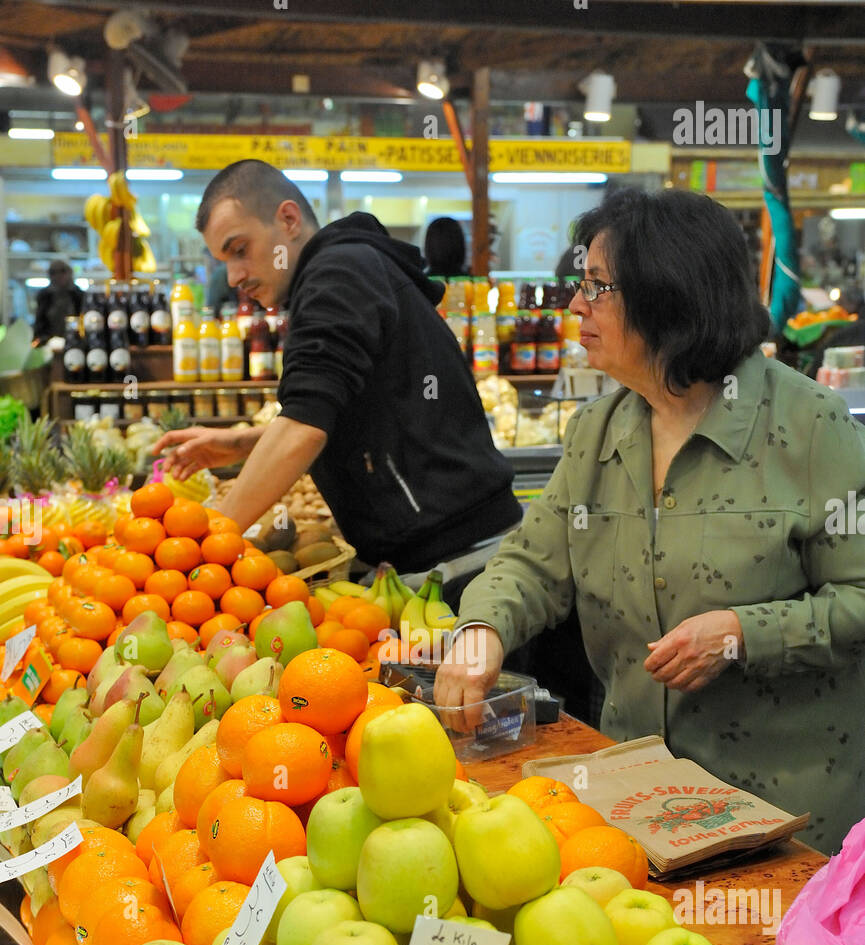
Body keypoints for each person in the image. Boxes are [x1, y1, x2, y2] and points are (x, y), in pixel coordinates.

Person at [435, 187, 865, 855]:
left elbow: (860, 598)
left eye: (597, 287)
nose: (575, 305)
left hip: (785, 822)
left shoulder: (810, 428)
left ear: (669, 298)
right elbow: (532, 561)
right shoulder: (598, 429)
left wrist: (743, 633)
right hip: (636, 801)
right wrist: (483, 629)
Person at [154, 161, 520, 578]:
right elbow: (348, 414)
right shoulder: (346, 267)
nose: (235, 276)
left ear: (288, 219)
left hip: (458, 559)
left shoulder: (336, 275)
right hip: (452, 546)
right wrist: (243, 444)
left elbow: (305, 426)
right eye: (223, 260)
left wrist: (207, 546)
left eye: (240, 250)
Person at [32, 260, 83, 344]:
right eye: (53, 273)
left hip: (75, 342)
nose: (58, 276)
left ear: (70, 273)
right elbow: (40, 324)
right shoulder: (44, 296)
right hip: (50, 343)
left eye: (62, 271)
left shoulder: (78, 295)